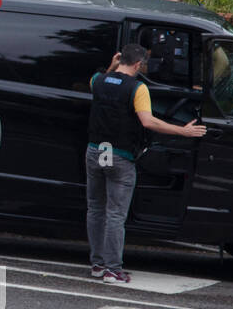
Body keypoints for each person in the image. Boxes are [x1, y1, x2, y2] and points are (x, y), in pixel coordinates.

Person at [85, 44, 206, 282]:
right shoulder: (138, 88)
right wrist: (184, 132)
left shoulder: (98, 80)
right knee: (115, 215)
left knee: (96, 209)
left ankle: (98, 265)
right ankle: (112, 269)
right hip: (120, 156)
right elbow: (148, 122)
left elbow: (100, 79)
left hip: (95, 152)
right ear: (138, 65)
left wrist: (112, 65)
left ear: (120, 60)